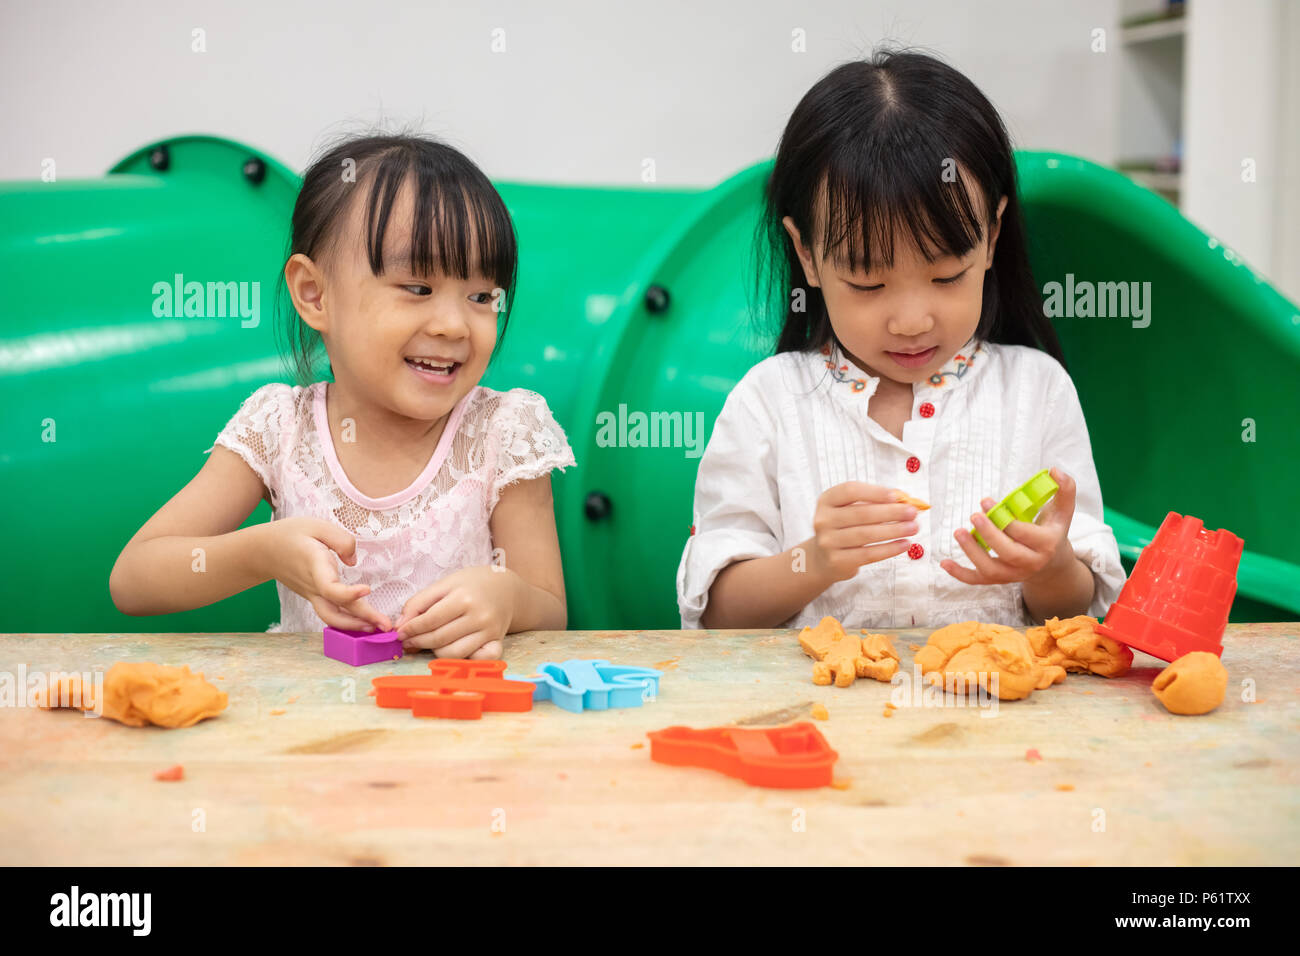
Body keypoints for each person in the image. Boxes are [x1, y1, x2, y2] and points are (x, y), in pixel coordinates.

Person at [678, 51, 1125, 631]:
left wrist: (1048, 566)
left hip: (998, 713)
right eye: (867, 282)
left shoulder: (1036, 391)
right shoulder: (769, 401)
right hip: (818, 714)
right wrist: (812, 561)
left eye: (946, 277)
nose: (911, 320)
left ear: (990, 238)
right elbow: (717, 615)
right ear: (808, 255)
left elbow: (1078, 610)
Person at [111, 133, 575, 659]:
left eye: (481, 296)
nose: (453, 325)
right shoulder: (281, 428)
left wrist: (507, 597)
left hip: (456, 727)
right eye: (418, 289)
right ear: (315, 294)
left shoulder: (503, 432)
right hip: (312, 728)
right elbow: (135, 578)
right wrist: (263, 552)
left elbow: (550, 607)